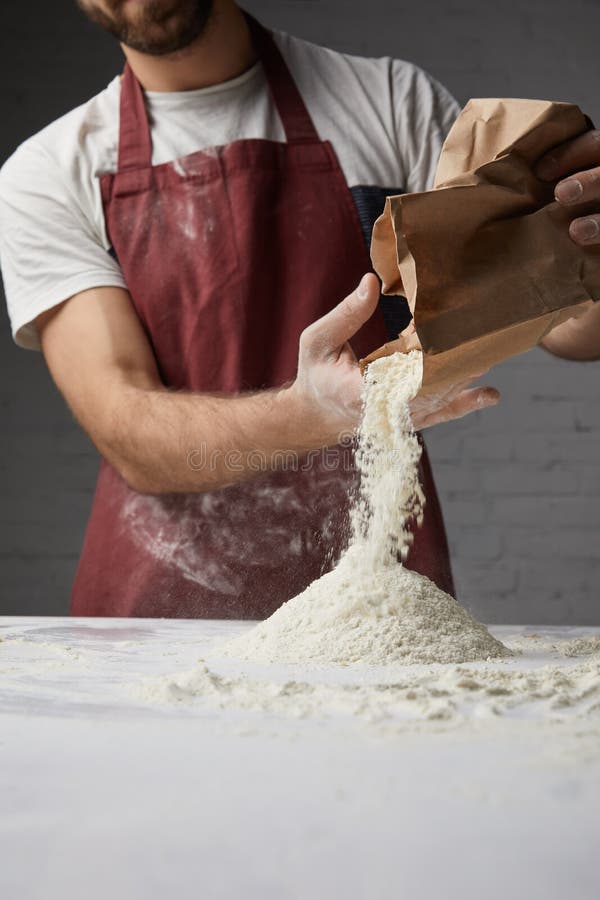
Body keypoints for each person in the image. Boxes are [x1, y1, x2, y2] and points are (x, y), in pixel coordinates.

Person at [2, 0, 513, 620]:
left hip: (378, 611)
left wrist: (576, 252)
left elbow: (551, 316)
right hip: (156, 626)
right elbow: (128, 429)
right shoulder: (50, 173)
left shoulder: (389, 103)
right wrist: (311, 413)